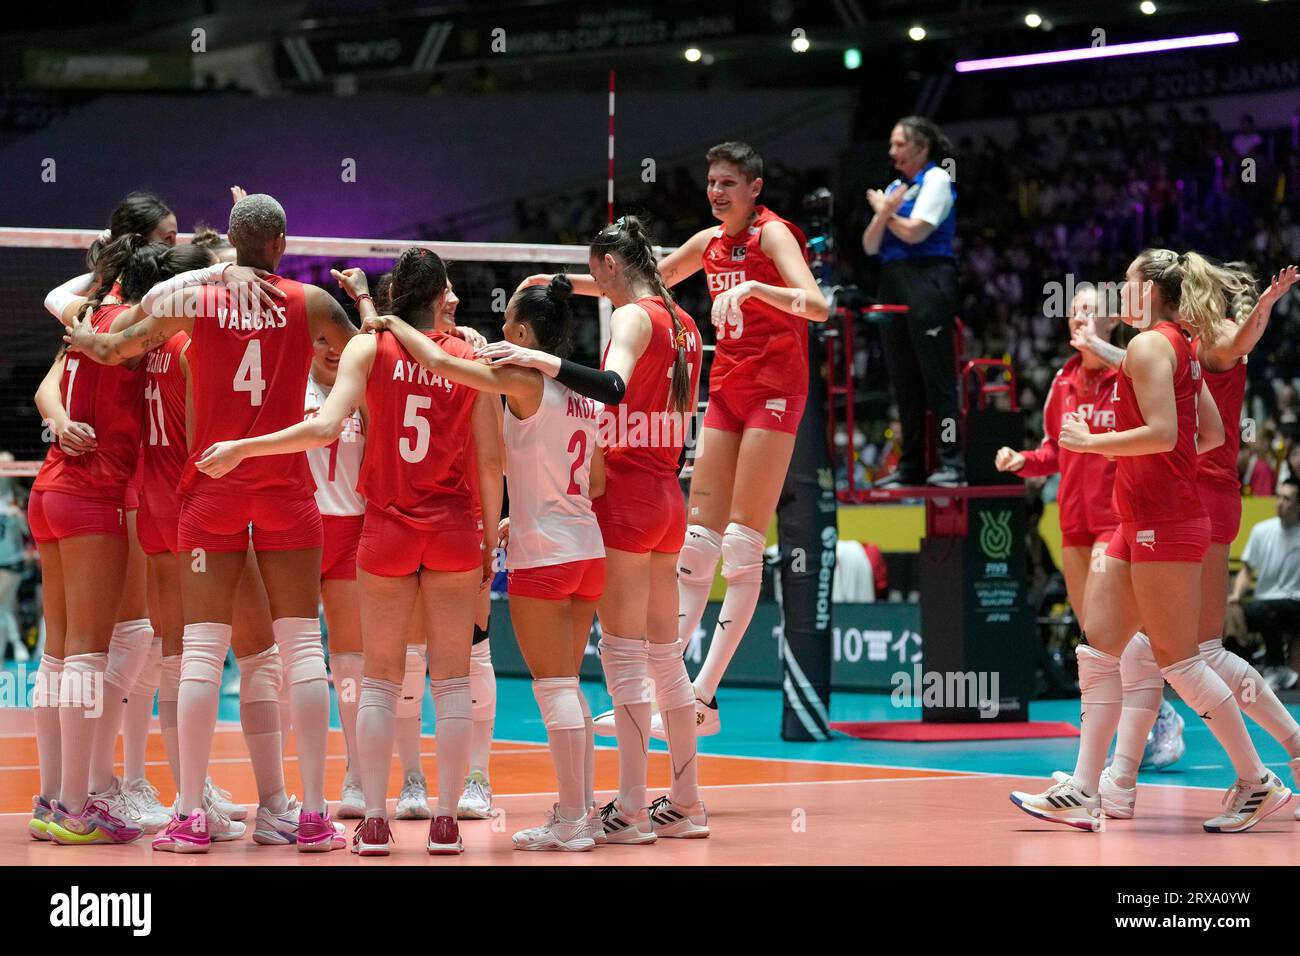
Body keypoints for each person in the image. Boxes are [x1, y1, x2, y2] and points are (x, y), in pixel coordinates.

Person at [66, 193, 356, 853]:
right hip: (284, 486)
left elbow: (118, 348)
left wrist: (85, 338)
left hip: (213, 488)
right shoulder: (311, 303)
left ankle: (190, 813)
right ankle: (309, 814)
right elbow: (361, 351)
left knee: (198, 648)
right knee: (302, 647)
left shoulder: (194, 305)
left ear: (228, 240)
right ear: (283, 244)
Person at [192, 248, 503, 857]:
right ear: (437, 296)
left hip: (384, 527)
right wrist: (490, 540)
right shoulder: (470, 354)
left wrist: (242, 447)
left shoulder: (367, 349)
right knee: (452, 680)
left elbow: (324, 427)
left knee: (379, 682)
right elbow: (490, 463)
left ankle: (378, 821)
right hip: (451, 529)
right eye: (450, 290)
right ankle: (445, 822)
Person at [1011, 249, 1291, 833]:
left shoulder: (1150, 346)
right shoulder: (1179, 345)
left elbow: (1167, 433)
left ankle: (1259, 780)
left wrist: (1094, 444)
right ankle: (1086, 790)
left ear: (1151, 292)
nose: (1120, 289)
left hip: (1163, 521)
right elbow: (1209, 433)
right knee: (1098, 647)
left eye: (1128, 282)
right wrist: (1156, 456)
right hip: (1136, 517)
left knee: (1182, 661)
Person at [482, 215, 707, 840]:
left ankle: (631, 809)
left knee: (625, 659)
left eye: (598, 277)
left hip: (628, 498)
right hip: (669, 494)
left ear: (610, 264)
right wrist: (558, 281)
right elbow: (619, 294)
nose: (597, 292)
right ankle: (686, 802)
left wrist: (539, 357)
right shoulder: (682, 320)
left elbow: (610, 387)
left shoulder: (634, 319)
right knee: (667, 660)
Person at [370, 274, 609, 850]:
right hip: (586, 548)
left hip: (544, 556)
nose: (497, 334)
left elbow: (440, 364)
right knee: (570, 688)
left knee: (553, 690)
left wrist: (391, 318)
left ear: (523, 333)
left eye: (506, 326)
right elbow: (595, 481)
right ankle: (581, 812)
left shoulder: (523, 379)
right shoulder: (579, 393)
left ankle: (574, 819)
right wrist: (521, 510)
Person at [862, 116, 962, 487]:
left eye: (899, 144)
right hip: (892, 283)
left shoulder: (937, 178)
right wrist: (886, 212)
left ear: (921, 148)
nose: (892, 152)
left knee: (938, 380)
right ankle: (911, 468)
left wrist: (884, 211)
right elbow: (870, 245)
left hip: (929, 280)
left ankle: (952, 464)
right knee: (904, 383)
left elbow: (917, 232)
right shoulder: (895, 187)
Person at [1231, 480, 1300, 694]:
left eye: (1287, 499)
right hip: (1262, 605)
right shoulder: (1262, 530)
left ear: (1298, 505)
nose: (1280, 503)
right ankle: (1245, 670)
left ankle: (1276, 667)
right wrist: (1235, 595)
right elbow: (1247, 570)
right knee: (1230, 613)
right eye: (1278, 496)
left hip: (1295, 603)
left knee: (1264, 610)